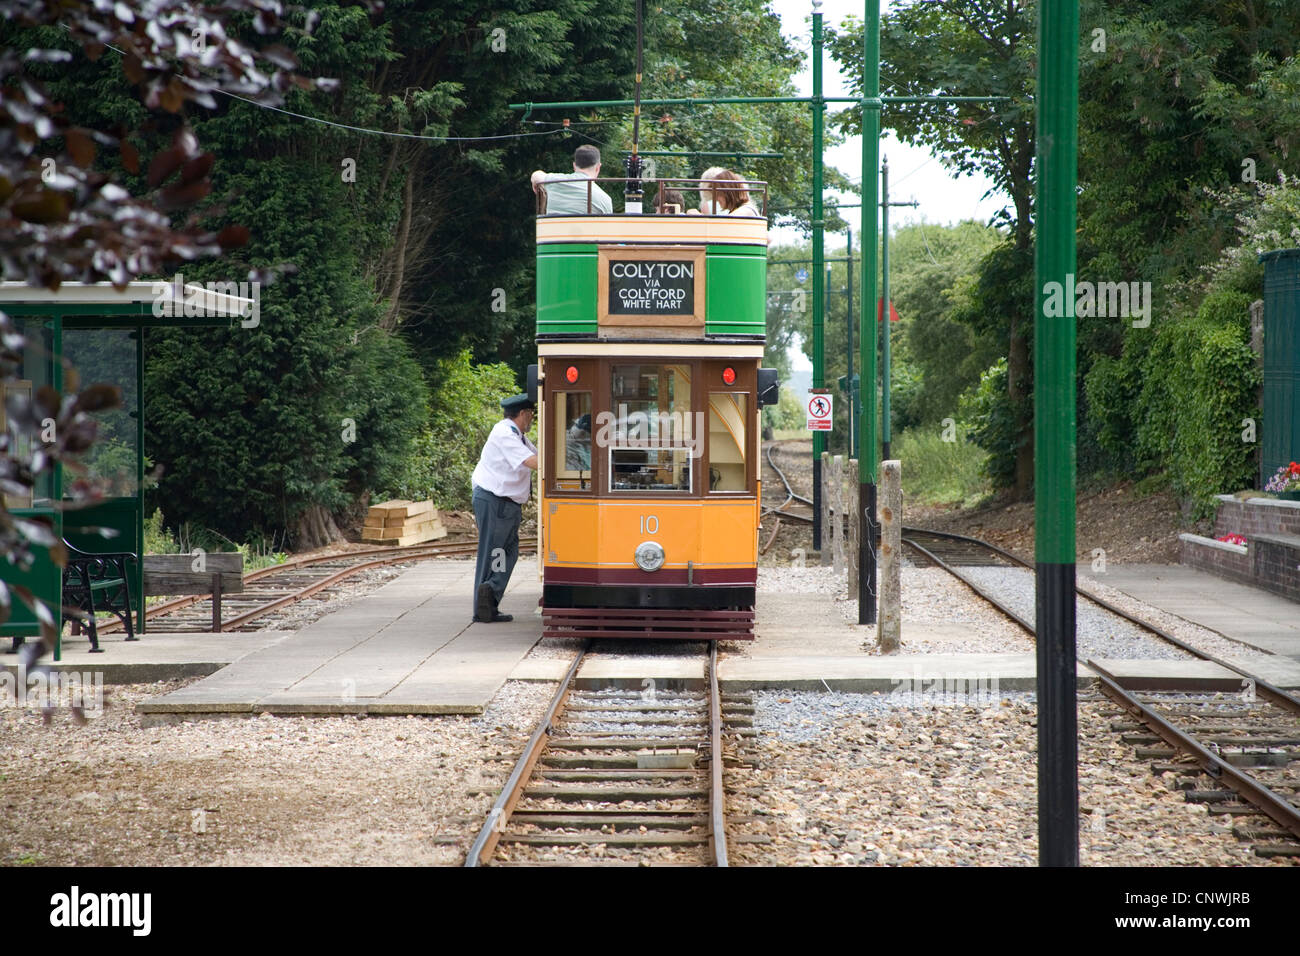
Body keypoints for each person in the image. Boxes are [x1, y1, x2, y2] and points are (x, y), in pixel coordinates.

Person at [470, 394, 539, 623]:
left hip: (504, 503)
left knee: (504, 552)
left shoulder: (519, 437)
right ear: (523, 414)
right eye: (531, 415)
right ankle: (483, 606)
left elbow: (536, 455)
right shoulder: (505, 433)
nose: (532, 420)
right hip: (495, 500)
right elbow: (533, 462)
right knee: (493, 551)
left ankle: (490, 597)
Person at [530, 145, 613, 215]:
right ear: (598, 168)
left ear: (574, 165)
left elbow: (536, 175)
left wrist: (537, 184)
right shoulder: (605, 199)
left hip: (553, 233)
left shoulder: (553, 181)